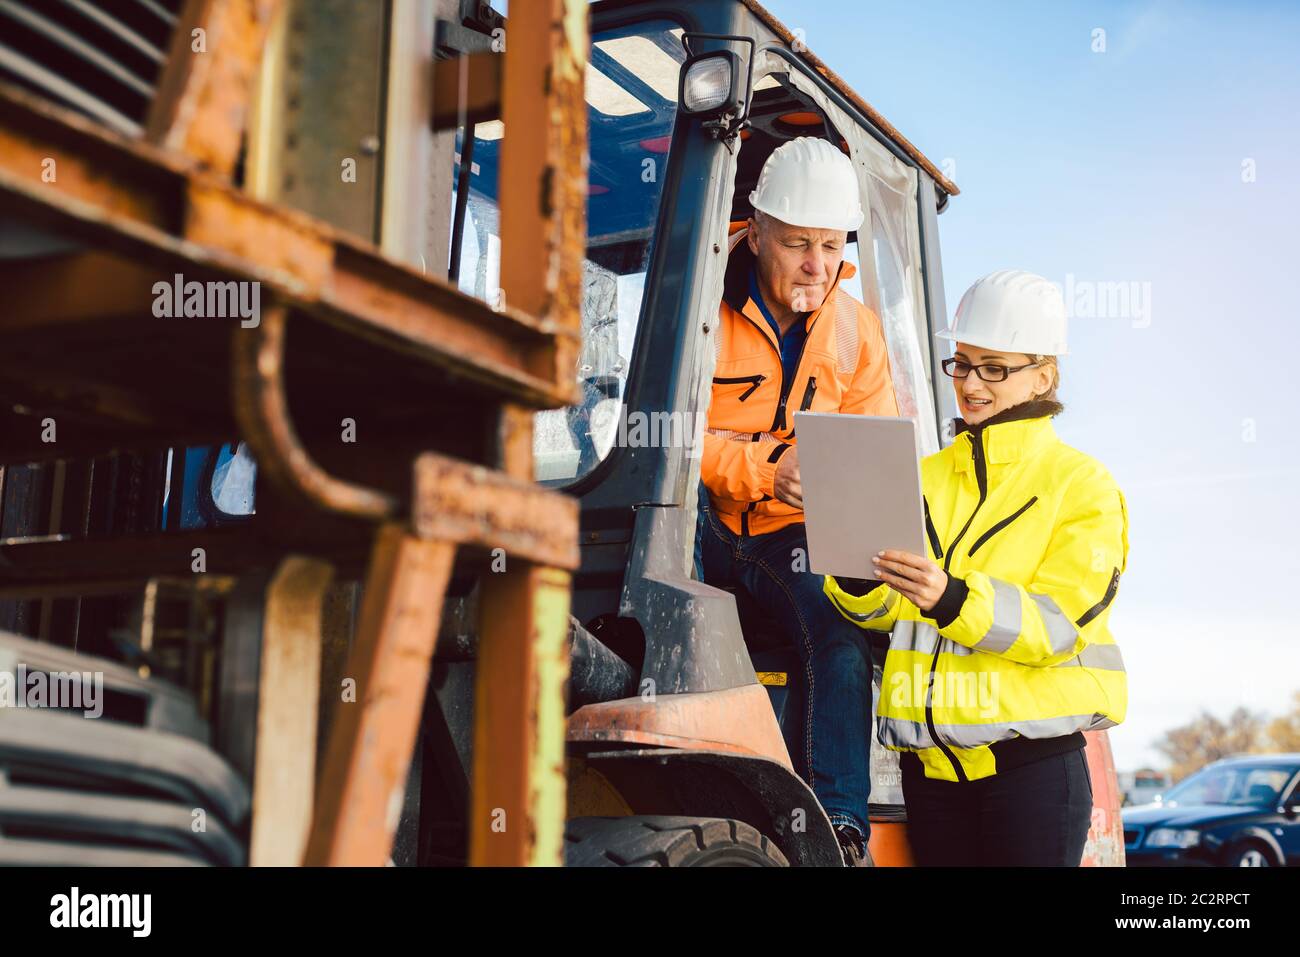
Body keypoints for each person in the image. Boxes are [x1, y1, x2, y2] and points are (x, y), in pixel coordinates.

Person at [825, 269, 1129, 866]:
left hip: (1031, 774)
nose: (971, 383)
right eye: (961, 363)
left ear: (1044, 375)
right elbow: (888, 611)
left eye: (994, 367)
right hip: (931, 778)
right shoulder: (924, 475)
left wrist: (952, 599)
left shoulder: (1081, 485)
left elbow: (1059, 623)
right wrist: (860, 578)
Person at [698, 136, 899, 865]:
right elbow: (666, 440)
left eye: (831, 246)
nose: (819, 266)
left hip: (791, 535)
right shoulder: (694, 297)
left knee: (839, 625)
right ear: (756, 232)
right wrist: (761, 468)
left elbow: (872, 457)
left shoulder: (857, 331)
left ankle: (838, 829)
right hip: (701, 521)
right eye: (797, 245)